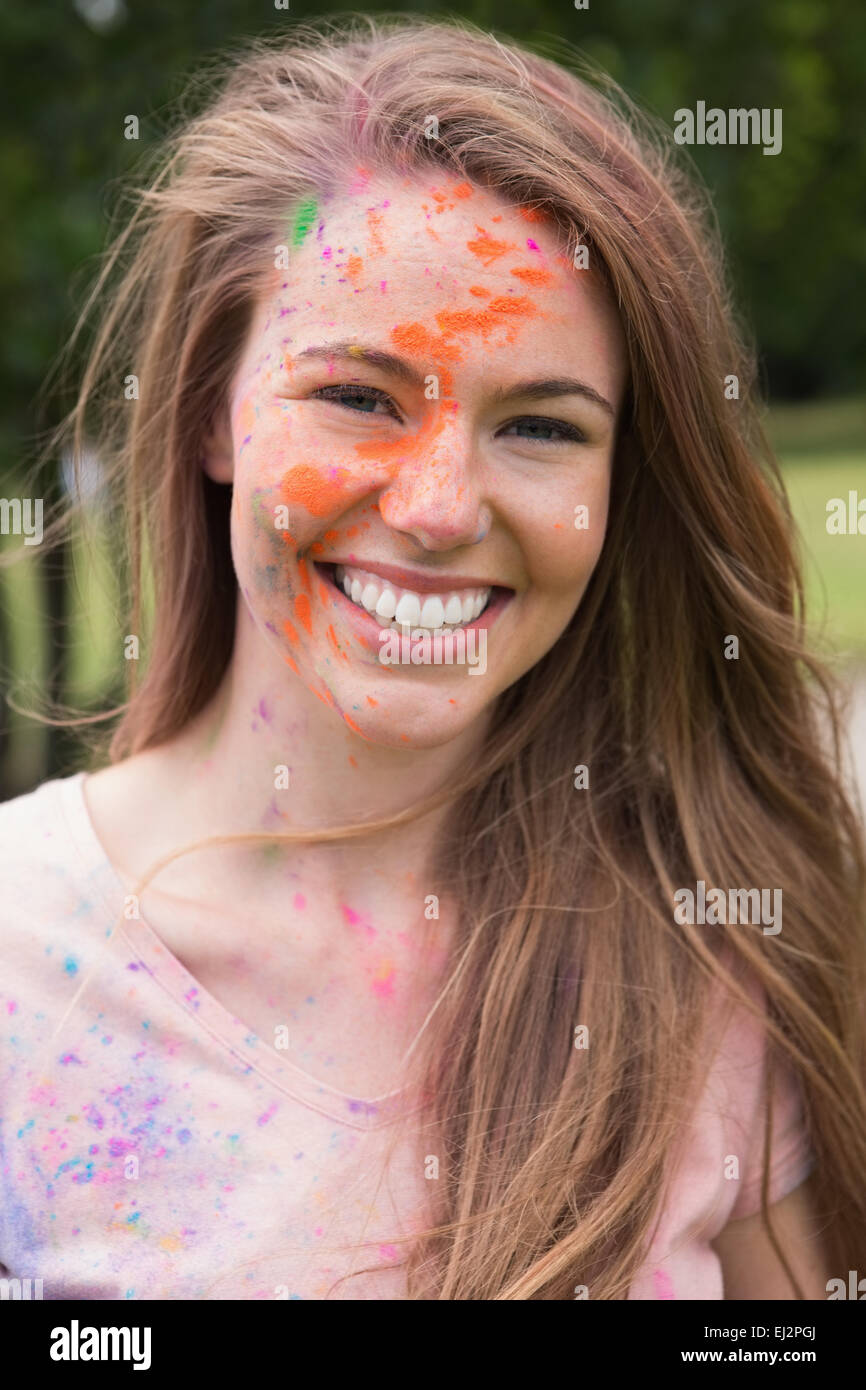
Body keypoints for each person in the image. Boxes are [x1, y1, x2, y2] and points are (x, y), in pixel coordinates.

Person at [1, 16, 864, 1301]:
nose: (439, 505)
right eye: (356, 398)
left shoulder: (710, 946)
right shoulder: (21, 958)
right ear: (206, 414)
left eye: (538, 425)